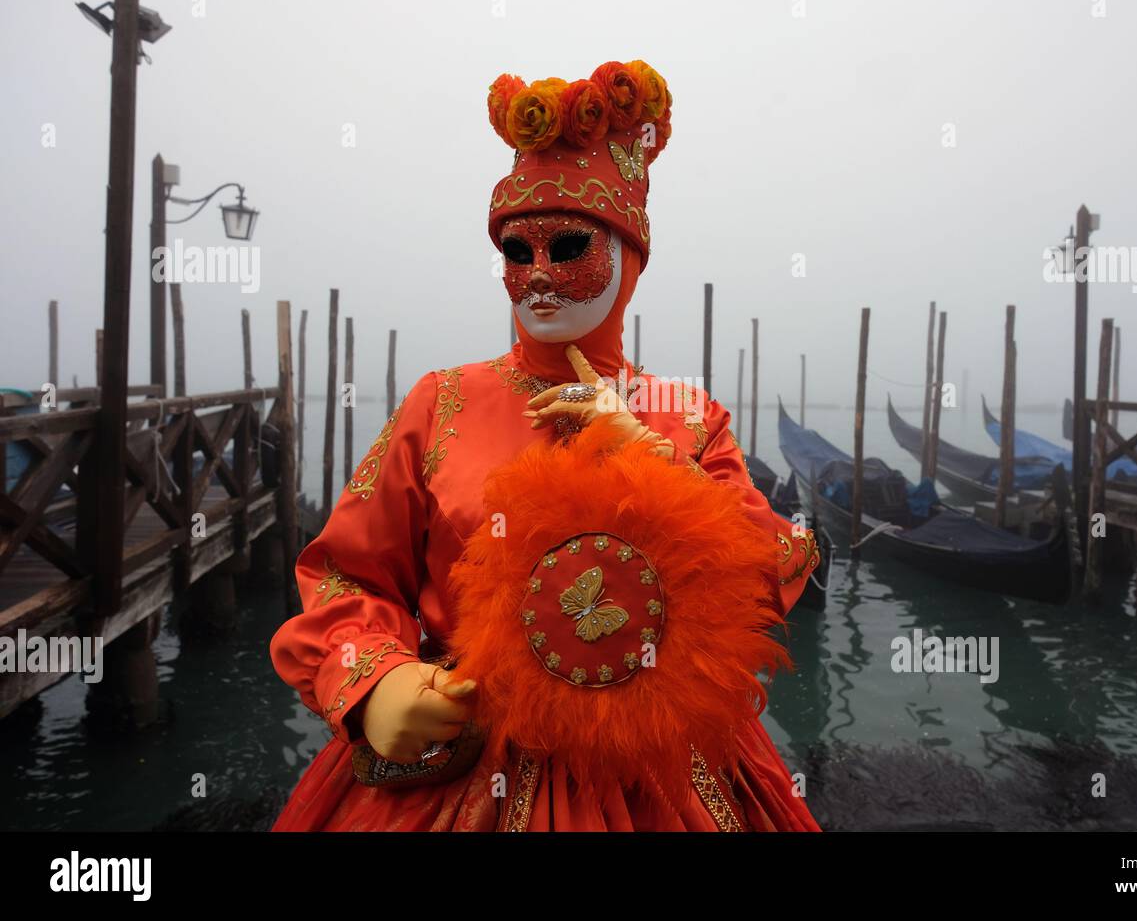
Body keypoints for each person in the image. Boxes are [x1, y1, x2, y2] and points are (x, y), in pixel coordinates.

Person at [269, 60, 821, 831]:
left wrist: (655, 466)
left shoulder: (685, 416)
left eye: (566, 247)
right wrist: (373, 682)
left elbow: (777, 570)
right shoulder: (442, 403)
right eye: (516, 253)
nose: (537, 276)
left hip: (663, 772)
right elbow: (343, 575)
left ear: (629, 256)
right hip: (465, 761)